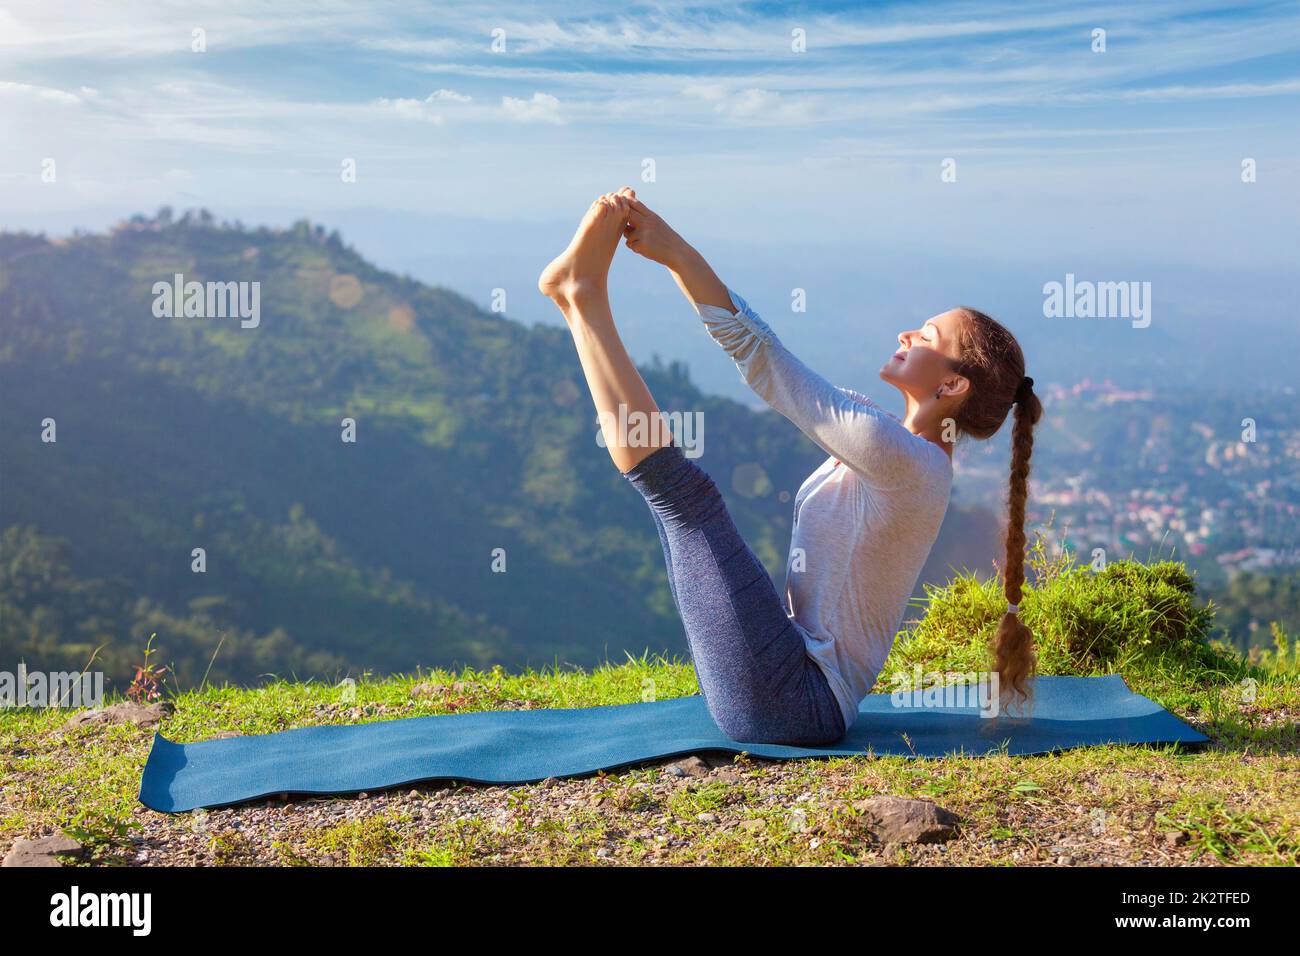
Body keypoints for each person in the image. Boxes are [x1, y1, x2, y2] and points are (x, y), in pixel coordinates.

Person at [538, 187, 1042, 745]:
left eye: (926, 337)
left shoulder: (910, 464)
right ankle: (580, 302)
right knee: (679, 502)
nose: (906, 334)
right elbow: (763, 350)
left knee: (685, 499)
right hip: (788, 678)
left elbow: (765, 362)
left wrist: (676, 252)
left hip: (797, 703)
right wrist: (673, 254)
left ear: (951, 385)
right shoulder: (895, 445)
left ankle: (584, 301)